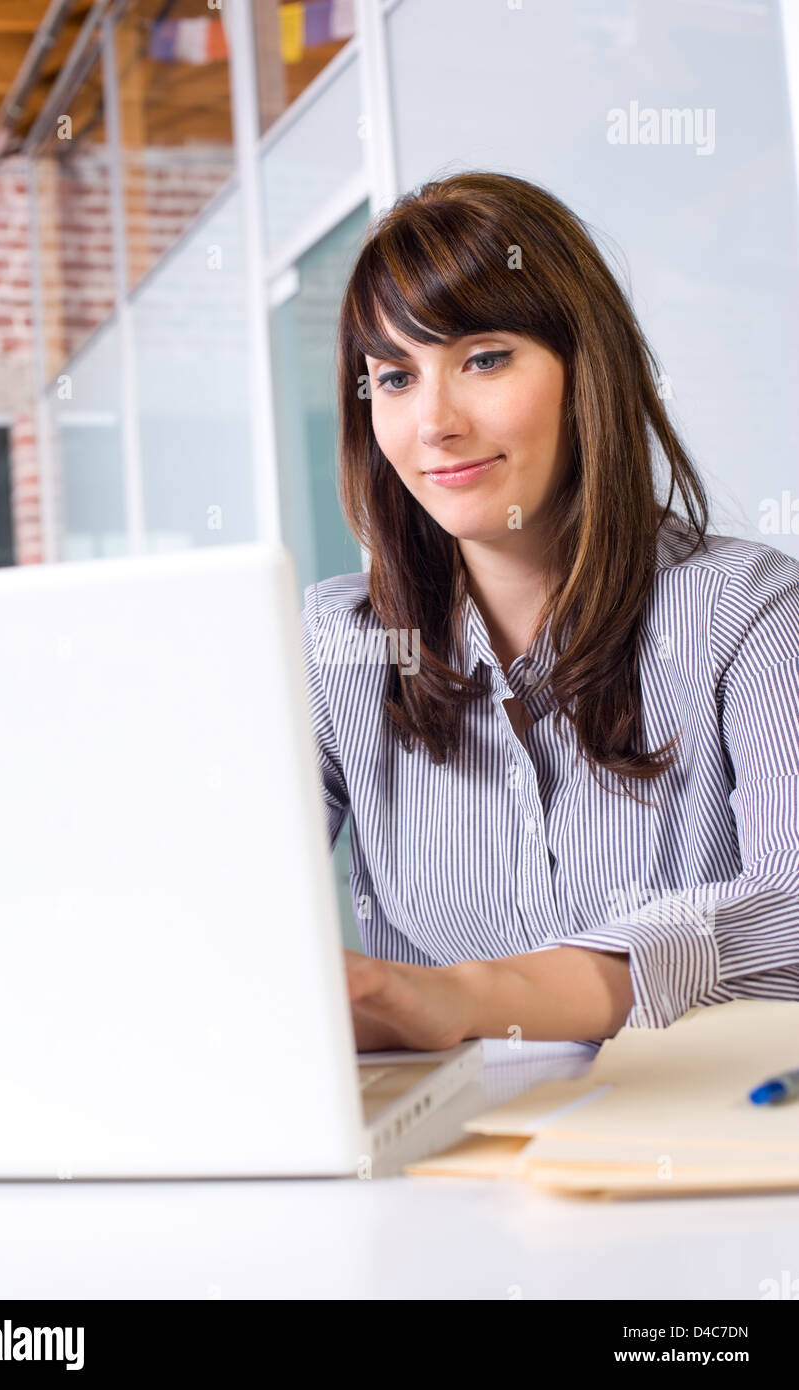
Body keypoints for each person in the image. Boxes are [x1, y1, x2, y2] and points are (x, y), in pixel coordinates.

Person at [300, 170, 799, 1050]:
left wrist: (473, 998)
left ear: (585, 371)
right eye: (394, 378)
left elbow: (792, 909)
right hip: (436, 1168)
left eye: (483, 359)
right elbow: (211, 905)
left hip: (711, 1150)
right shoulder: (337, 646)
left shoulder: (747, 611)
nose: (433, 423)